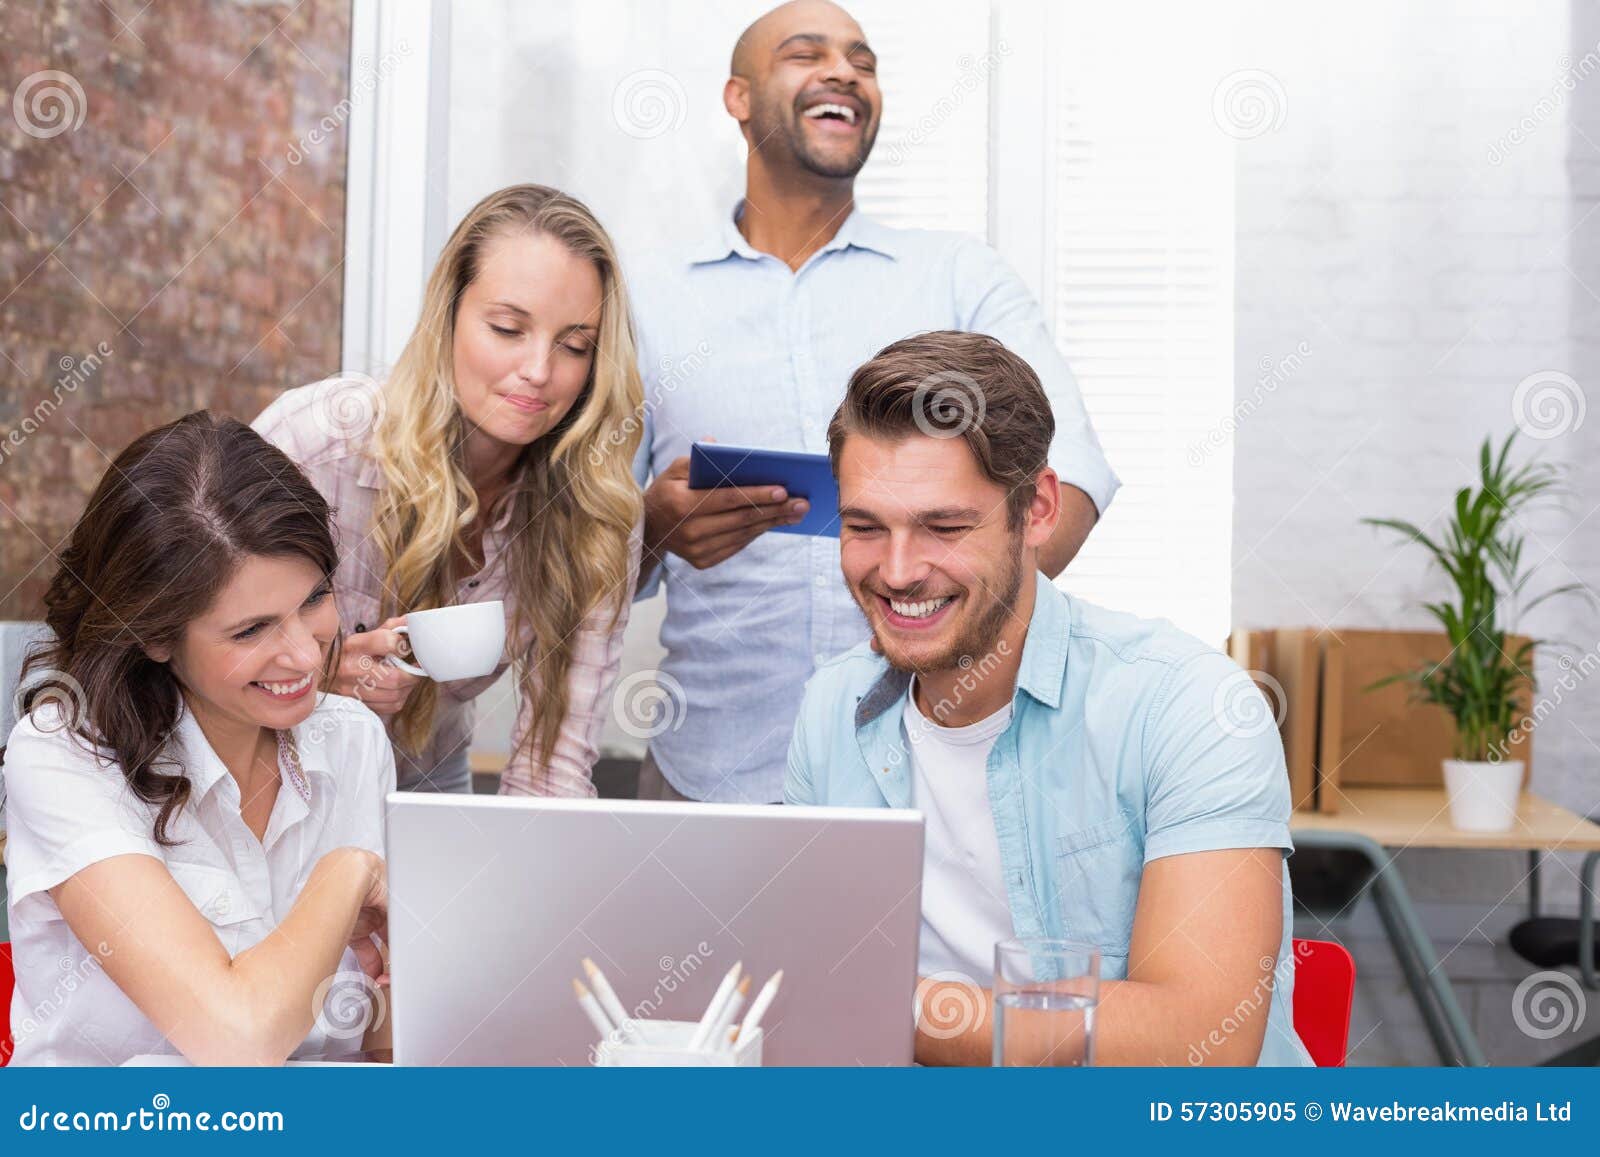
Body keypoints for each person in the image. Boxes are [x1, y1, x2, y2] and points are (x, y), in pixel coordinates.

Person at [631, 0, 1117, 803]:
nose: (843, 71)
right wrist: (650, 531)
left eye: (863, 60)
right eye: (805, 53)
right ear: (738, 97)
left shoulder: (958, 278)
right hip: (710, 772)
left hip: (937, 774)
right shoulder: (647, 302)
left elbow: (1076, 478)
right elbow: (572, 537)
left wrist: (946, 595)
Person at [786, 332, 1312, 1066]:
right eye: (864, 526)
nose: (898, 571)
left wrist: (892, 1006)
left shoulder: (1188, 706)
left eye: (943, 527)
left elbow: (1199, 1040)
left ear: (1036, 510)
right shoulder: (831, 711)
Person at [1, 414, 394, 1066]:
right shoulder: (62, 757)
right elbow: (236, 1036)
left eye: (316, 597)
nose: (303, 654)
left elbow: (387, 1052)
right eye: (251, 630)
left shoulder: (353, 742)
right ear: (157, 635)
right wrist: (348, 870)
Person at [256, 184, 643, 796]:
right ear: (448, 317)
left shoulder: (596, 512)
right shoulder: (318, 441)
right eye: (508, 328)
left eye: (574, 346)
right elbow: (182, 645)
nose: (539, 371)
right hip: (266, 787)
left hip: (422, 790)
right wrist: (314, 671)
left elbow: (555, 768)